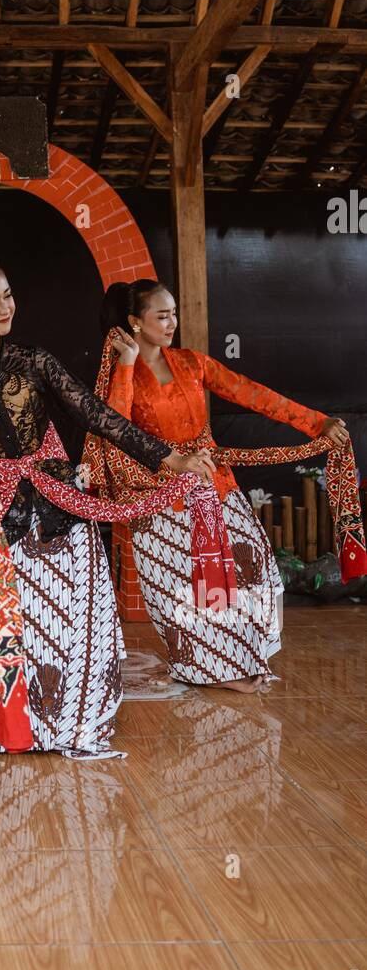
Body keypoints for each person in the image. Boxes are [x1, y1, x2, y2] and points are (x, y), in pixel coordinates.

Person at [0, 257, 213, 759]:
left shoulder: (32, 359)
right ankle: (2, 728)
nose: (8, 306)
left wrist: (170, 457)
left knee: (73, 627)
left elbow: (94, 414)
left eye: (9, 294)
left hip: (57, 509)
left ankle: (73, 727)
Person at [97, 279, 349, 693]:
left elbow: (252, 393)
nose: (172, 322)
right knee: (184, 589)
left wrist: (315, 421)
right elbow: (115, 428)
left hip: (214, 484)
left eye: (174, 312)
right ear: (134, 322)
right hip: (161, 497)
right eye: (162, 316)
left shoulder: (191, 363)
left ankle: (244, 658)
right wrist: (125, 365)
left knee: (253, 568)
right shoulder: (121, 374)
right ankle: (211, 670)